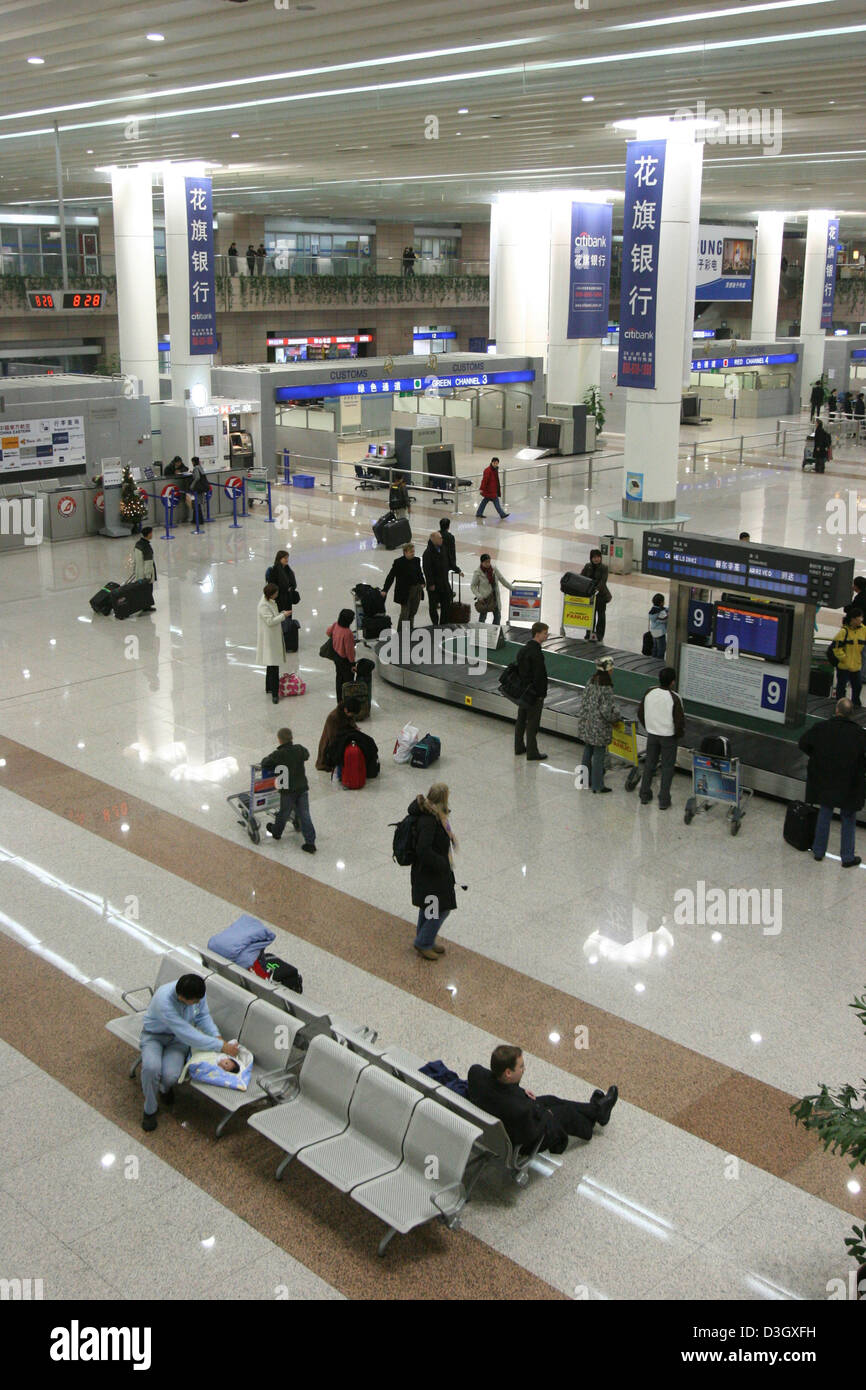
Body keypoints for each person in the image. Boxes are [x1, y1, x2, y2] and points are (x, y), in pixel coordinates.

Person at [467, 1045, 618, 1153]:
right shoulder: (520, 1109)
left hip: (499, 1116)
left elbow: (495, 1082)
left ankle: (597, 1110)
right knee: (565, 1113)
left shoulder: (475, 1073)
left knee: (551, 1099)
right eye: (521, 1067)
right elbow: (532, 1134)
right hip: (522, 1135)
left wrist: (520, 1090)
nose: (524, 1069)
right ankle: (590, 1124)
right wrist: (547, 1115)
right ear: (508, 1072)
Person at [139, 974, 239, 1132]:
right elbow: (188, 1033)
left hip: (177, 1041)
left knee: (171, 1076)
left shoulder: (197, 992)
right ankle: (150, 1109)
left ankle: (164, 1089)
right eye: (194, 1001)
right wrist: (220, 1046)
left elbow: (202, 1016)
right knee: (151, 1068)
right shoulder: (164, 1001)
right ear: (181, 997)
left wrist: (216, 1035)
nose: (198, 1003)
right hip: (154, 1037)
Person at [798, 699, 866, 868]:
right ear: (851, 714)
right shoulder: (859, 734)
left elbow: (803, 743)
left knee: (825, 812)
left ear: (836, 710)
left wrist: (817, 756)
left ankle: (819, 851)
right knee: (849, 817)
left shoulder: (822, 728)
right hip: (850, 782)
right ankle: (847, 857)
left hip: (826, 778)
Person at [406, 783, 457, 960]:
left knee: (430, 907)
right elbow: (423, 850)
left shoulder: (435, 814)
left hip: (429, 874)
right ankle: (423, 942)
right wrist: (442, 863)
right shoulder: (429, 820)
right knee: (441, 909)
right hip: (430, 874)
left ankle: (425, 938)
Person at [261, 727, 317, 853]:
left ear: (279, 740)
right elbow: (306, 754)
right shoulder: (299, 749)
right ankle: (310, 842)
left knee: (284, 813)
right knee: (305, 814)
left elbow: (265, 763)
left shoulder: (279, 754)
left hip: (288, 790)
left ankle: (276, 832)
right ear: (291, 738)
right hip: (302, 787)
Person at [637, 667, 685, 810]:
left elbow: (640, 712)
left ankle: (644, 794)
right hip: (668, 737)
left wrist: (649, 726)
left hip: (652, 734)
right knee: (667, 767)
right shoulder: (675, 698)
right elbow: (679, 721)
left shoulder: (649, 692)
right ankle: (664, 800)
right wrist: (678, 735)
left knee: (649, 764)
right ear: (672, 682)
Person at [575, 656, 623, 793]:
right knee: (599, 754)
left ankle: (584, 780)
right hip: (599, 727)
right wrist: (617, 714)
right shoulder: (606, 687)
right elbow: (606, 711)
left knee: (587, 750)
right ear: (608, 669)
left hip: (587, 722)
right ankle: (597, 785)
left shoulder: (590, 680)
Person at [514, 621, 549, 761]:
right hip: (534, 694)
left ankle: (518, 746)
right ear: (537, 634)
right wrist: (541, 694)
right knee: (533, 723)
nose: (547, 636)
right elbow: (539, 676)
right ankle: (532, 752)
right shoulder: (536, 653)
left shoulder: (523, 649)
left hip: (523, 691)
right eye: (545, 633)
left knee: (521, 719)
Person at [257, 582, 290, 704]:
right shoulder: (263, 605)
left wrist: (280, 614)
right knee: (274, 665)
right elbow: (270, 621)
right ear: (271, 594)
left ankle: (269, 687)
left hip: (272, 637)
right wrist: (283, 615)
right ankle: (275, 694)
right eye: (276, 593)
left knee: (270, 664)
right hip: (270, 639)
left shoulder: (269, 602)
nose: (277, 595)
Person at [382, 542, 425, 628]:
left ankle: (410, 630)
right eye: (411, 552)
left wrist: (423, 582)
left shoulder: (416, 560)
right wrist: (385, 589)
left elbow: (419, 573)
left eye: (413, 551)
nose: (413, 553)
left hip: (416, 589)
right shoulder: (398, 562)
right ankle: (401, 633)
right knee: (405, 614)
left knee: (413, 612)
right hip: (405, 591)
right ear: (405, 552)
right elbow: (391, 576)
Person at [830, 606, 865, 705]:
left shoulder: (864, 630)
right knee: (841, 687)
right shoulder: (844, 632)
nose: (861, 619)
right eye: (860, 617)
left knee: (857, 686)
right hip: (844, 666)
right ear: (853, 619)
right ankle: (840, 704)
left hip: (856, 665)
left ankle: (856, 704)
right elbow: (836, 648)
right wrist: (844, 658)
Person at [316, 697, 360, 771]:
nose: (352, 715)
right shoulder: (333, 717)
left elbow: (351, 723)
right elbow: (332, 739)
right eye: (352, 714)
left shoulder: (347, 713)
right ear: (346, 710)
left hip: (342, 736)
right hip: (331, 744)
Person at [470, 553, 511, 627]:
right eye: (486, 562)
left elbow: (502, 579)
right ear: (482, 562)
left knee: (497, 616)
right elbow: (473, 586)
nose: (488, 564)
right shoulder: (478, 572)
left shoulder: (494, 569)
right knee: (483, 617)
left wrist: (511, 588)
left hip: (495, 597)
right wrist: (479, 596)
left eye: (489, 561)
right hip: (485, 599)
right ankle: (480, 633)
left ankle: (495, 632)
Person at [581, 548, 611, 643]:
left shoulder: (604, 568)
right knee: (591, 615)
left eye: (598, 557)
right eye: (594, 557)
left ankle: (599, 635)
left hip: (601, 595)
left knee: (601, 615)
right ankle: (589, 633)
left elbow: (603, 581)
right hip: (590, 595)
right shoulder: (588, 566)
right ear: (591, 558)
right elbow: (582, 577)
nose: (596, 559)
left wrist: (596, 590)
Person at [326, 608, 357, 703]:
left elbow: (328, 632)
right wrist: (353, 664)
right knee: (348, 682)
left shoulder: (335, 625)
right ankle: (347, 701)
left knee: (339, 678)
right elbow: (349, 651)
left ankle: (339, 700)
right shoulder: (348, 633)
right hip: (345, 661)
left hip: (336, 657)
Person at [422, 531, 452, 626]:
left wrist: (456, 569)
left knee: (446, 603)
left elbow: (448, 562)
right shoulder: (427, 553)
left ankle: (443, 623)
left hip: (444, 582)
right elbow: (427, 569)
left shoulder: (443, 549)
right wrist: (430, 584)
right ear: (433, 539)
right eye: (439, 538)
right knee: (433, 606)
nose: (441, 539)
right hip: (434, 585)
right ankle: (435, 623)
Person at [265, 548, 299, 617]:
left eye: (287, 558)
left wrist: (291, 588)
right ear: (279, 559)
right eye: (285, 558)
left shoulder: (288, 570)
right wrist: (284, 589)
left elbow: (293, 584)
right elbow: (272, 586)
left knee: (288, 618)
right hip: (279, 600)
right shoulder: (274, 570)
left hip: (288, 599)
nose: (287, 560)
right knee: (281, 618)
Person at [132, 526, 157, 612]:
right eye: (151, 533)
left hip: (138, 572)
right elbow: (148, 563)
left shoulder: (138, 544)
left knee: (141, 590)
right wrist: (148, 576)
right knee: (148, 590)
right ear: (149, 534)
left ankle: (142, 605)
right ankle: (146, 606)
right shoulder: (147, 547)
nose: (152, 534)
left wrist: (134, 571)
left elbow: (135, 559)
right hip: (145, 573)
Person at [648, 592, 668, 661]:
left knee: (655, 648)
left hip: (654, 631)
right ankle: (659, 663)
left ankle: (653, 661)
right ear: (661, 602)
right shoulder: (660, 611)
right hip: (660, 632)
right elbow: (665, 620)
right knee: (661, 649)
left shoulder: (652, 610)